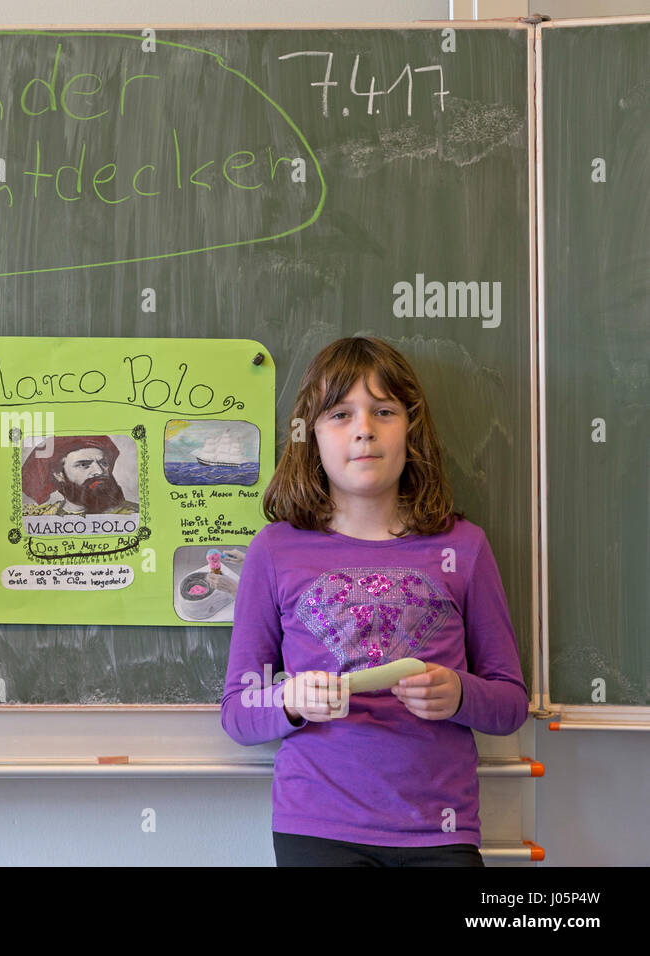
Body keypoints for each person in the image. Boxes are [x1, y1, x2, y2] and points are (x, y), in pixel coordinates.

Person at [220, 336, 528, 867]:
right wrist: (290, 700)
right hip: (317, 826)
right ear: (310, 436)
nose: (364, 428)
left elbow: (510, 704)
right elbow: (237, 711)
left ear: (411, 428)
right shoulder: (275, 551)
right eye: (340, 414)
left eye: (384, 411)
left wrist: (458, 695)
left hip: (440, 831)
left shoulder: (464, 547)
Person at [21, 435, 138, 516]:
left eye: (104, 463)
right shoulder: (42, 516)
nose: (99, 471)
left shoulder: (134, 513)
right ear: (58, 474)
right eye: (83, 464)